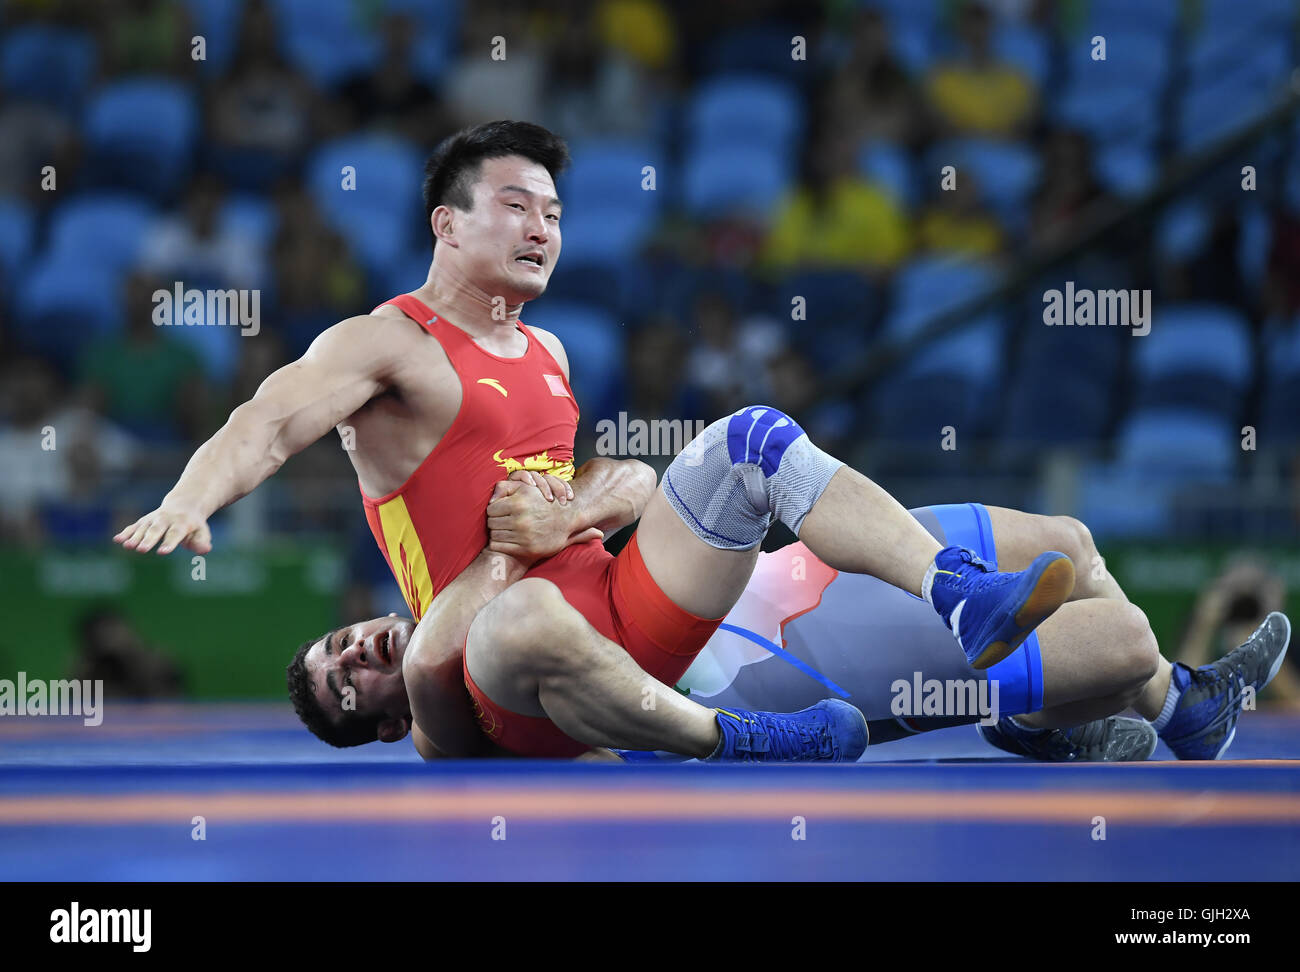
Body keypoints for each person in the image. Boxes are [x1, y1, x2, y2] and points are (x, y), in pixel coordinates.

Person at [115, 120, 1074, 762]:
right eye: (516, 207)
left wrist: (569, 510)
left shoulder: (554, 350)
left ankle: (956, 593)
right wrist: (189, 499)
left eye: (554, 213)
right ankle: (745, 742)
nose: (543, 229)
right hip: (509, 677)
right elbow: (266, 421)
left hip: (626, 601)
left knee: (750, 439)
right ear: (446, 225)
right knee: (520, 619)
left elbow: (631, 487)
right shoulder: (387, 343)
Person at [290, 473, 1291, 763]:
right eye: (349, 682)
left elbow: (628, 482)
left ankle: (1107, 718)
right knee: (1119, 642)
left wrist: (569, 508)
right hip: (772, 662)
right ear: (384, 721)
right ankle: (1149, 702)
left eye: (340, 644)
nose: (358, 652)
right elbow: (430, 681)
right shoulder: (445, 703)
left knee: (1065, 543)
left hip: (778, 575)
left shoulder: (458, 577)